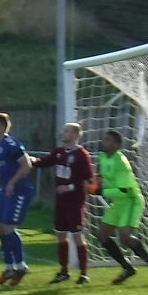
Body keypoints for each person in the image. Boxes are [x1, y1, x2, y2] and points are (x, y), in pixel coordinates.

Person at [94, 129, 148, 285]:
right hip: (118, 202)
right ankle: (127, 268)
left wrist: (100, 191)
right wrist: (96, 182)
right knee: (102, 235)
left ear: (116, 145)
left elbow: (124, 191)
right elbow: (101, 174)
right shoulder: (102, 156)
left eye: (108, 140)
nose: (103, 142)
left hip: (131, 200)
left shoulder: (121, 163)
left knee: (125, 236)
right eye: (104, 139)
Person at [31, 122, 95, 284]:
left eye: (66, 131)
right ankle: (64, 271)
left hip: (75, 202)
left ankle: (83, 274)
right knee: (61, 236)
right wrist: (30, 160)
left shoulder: (82, 155)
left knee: (77, 236)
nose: (63, 133)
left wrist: (69, 187)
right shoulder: (59, 152)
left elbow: (88, 179)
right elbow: (44, 162)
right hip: (60, 202)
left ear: (75, 135)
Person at [0, 111, 35, 285]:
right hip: (6, 190)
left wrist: (12, 183)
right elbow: (2, 171)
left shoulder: (11, 144)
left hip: (19, 190)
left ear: (2, 127)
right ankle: (8, 268)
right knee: (0, 227)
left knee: (8, 228)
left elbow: (26, 165)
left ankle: (21, 266)